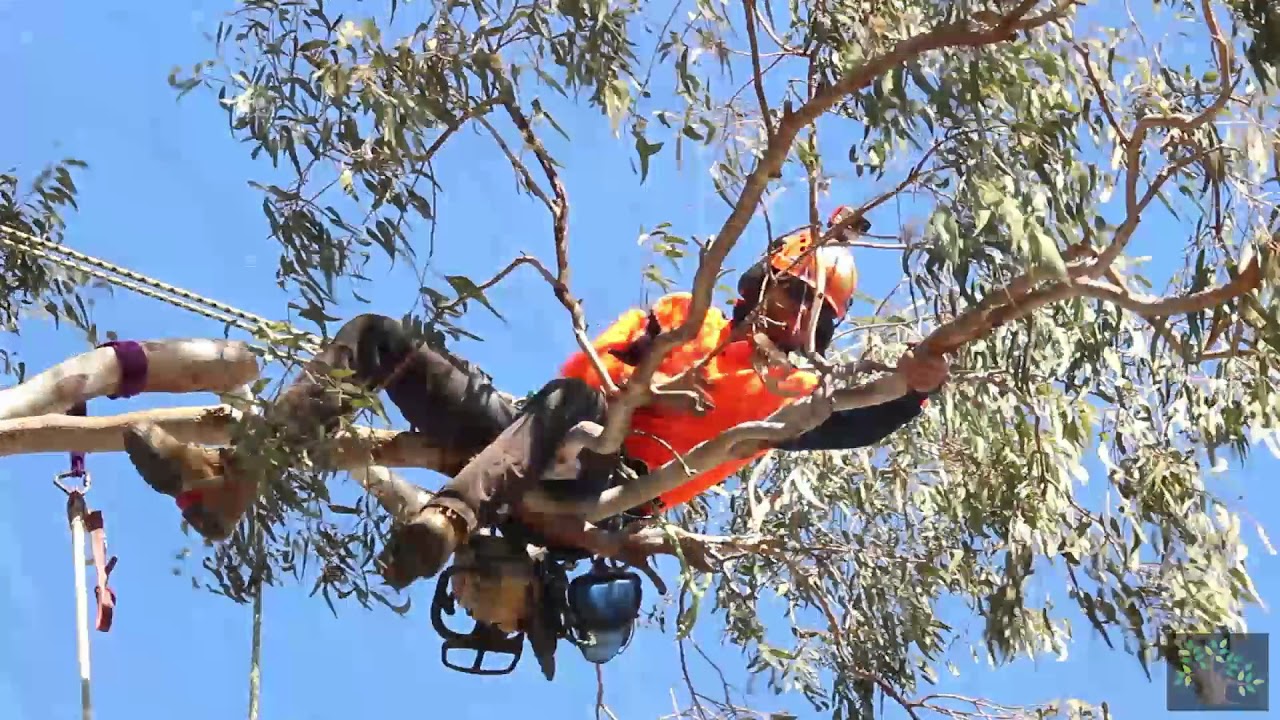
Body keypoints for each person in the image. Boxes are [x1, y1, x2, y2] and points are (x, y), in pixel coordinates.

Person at [121, 206, 949, 589]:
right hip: (535, 430)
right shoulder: (683, 316)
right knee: (378, 340)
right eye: (790, 291)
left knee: (574, 413)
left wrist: (909, 394)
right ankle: (234, 484)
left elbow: (853, 424)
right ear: (760, 281)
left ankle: (447, 520)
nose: (793, 314)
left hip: (607, 488)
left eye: (812, 311)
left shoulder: (791, 393)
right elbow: (596, 375)